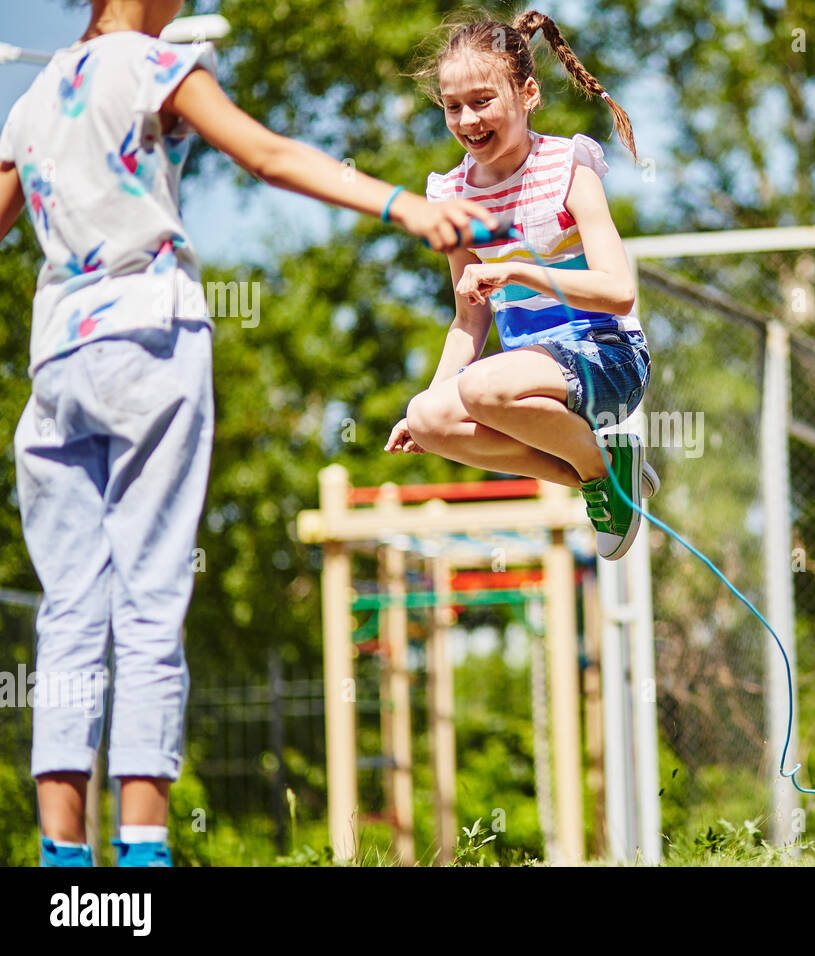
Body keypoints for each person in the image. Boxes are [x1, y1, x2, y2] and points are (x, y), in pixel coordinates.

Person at [0, 0, 493, 867]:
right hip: (149, 336)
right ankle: (144, 862)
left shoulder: (32, 99)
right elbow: (266, 155)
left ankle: (62, 868)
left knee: (71, 611)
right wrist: (401, 207)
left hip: (58, 363)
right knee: (150, 600)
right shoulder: (152, 64)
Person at [384, 10, 658, 562]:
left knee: (484, 389)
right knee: (428, 415)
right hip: (527, 378)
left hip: (607, 358)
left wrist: (518, 271)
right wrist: (432, 402)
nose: (467, 119)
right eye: (452, 106)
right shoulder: (453, 195)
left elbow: (618, 291)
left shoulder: (567, 167)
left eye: (482, 101)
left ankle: (602, 472)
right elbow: (469, 319)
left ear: (528, 92)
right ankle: (601, 477)